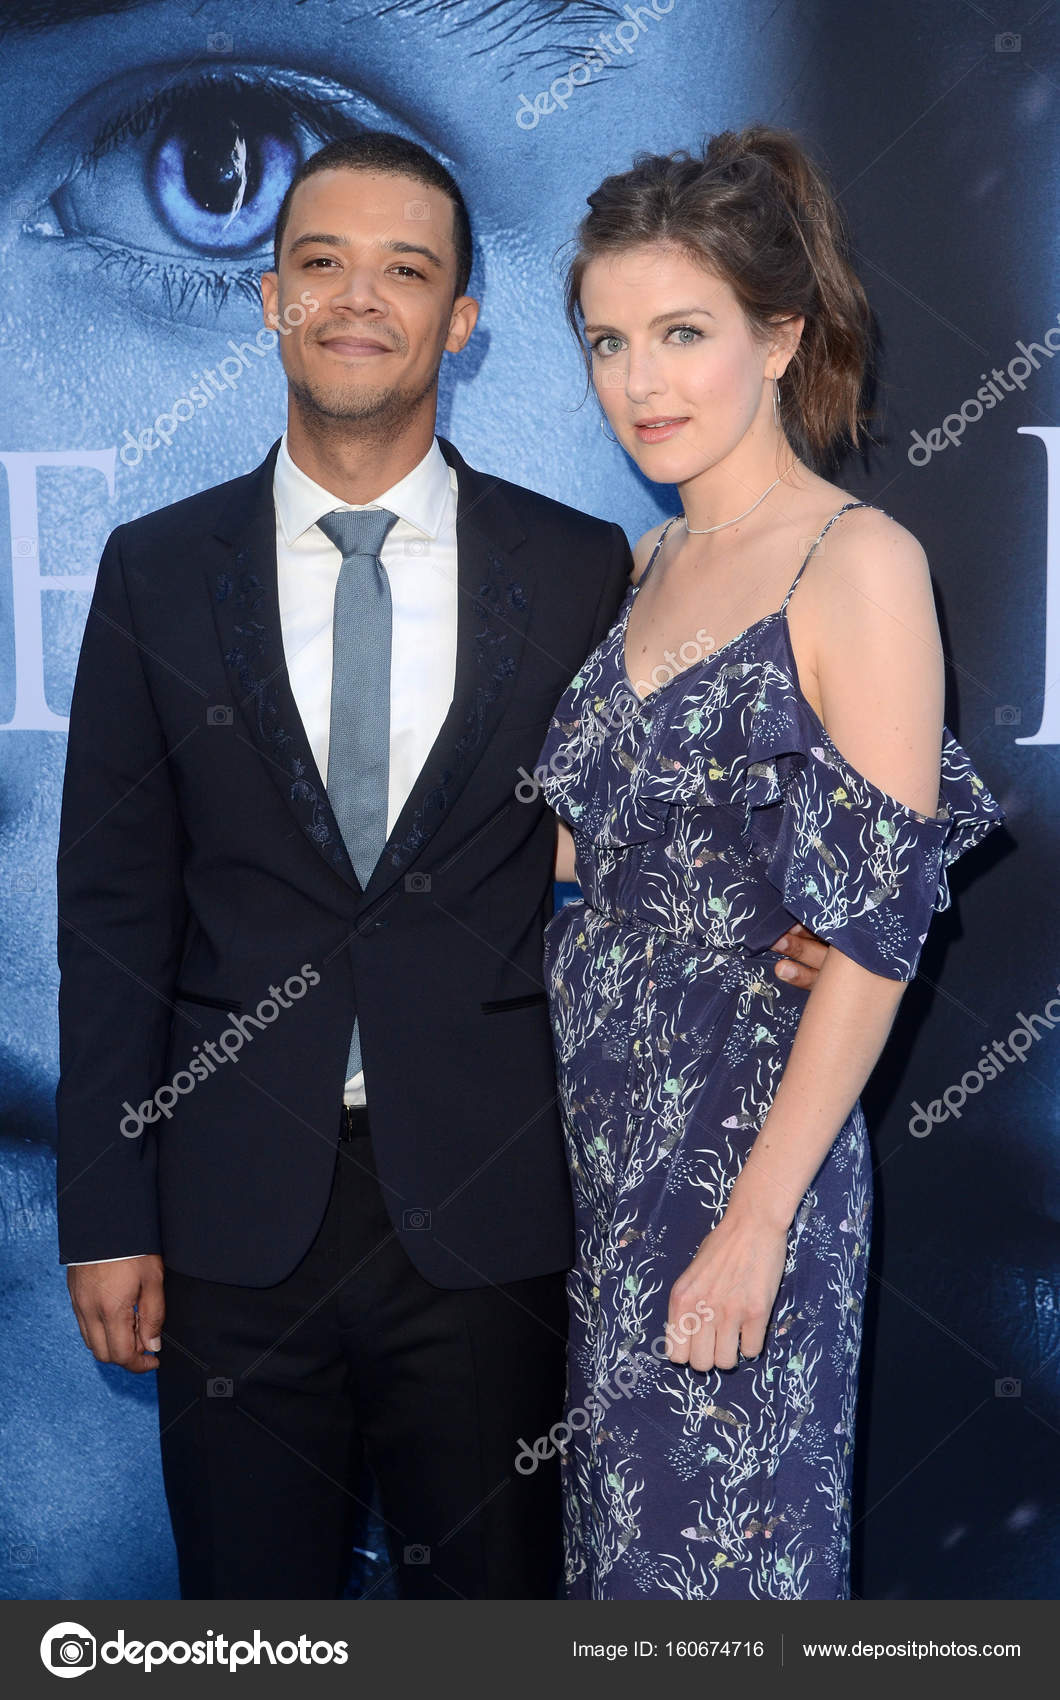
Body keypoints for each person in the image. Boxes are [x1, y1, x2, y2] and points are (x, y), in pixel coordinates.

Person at [55, 130, 825, 1602]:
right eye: (322, 263)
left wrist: (782, 916)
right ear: (270, 298)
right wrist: (107, 1213)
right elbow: (111, 910)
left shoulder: (580, 564)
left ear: (460, 321)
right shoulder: (154, 568)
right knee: (250, 1630)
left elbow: (660, 816)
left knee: (494, 1639)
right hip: (229, 1221)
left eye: (406, 270)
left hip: (493, 1211)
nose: (360, 298)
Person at [535, 125, 1006, 1600]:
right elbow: (575, 866)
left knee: (724, 1582)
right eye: (610, 342)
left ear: (780, 335)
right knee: (625, 1576)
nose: (640, 383)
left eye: (683, 334)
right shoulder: (636, 568)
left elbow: (871, 940)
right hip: (596, 1161)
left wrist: (755, 1227)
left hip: (747, 1161)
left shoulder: (855, 564)